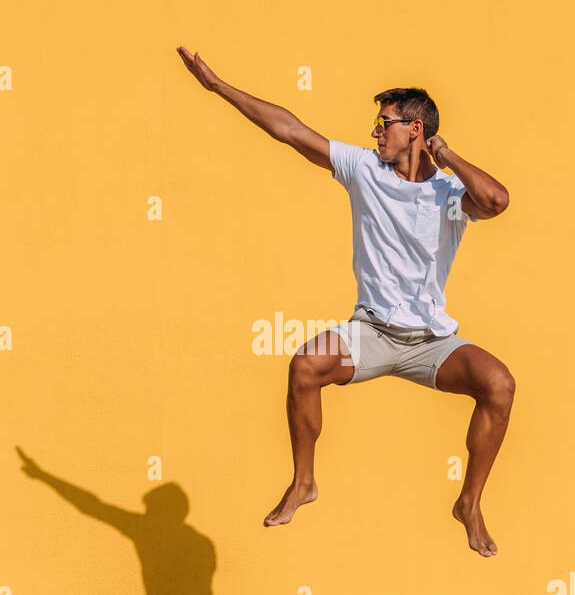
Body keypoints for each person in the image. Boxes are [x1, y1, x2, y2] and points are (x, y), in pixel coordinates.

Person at [177, 46, 514, 557]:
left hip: (431, 340)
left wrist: (445, 156)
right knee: (306, 366)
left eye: (385, 124)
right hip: (372, 333)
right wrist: (218, 87)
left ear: (414, 130)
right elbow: (290, 129)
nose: (375, 132)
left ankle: (469, 502)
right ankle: (304, 482)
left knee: (499, 384)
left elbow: (496, 201)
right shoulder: (363, 170)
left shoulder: (449, 194)